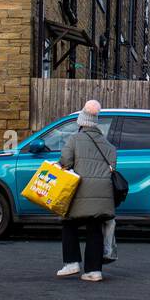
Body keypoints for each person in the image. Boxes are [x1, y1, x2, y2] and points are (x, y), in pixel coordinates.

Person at [56, 100, 118, 282]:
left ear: (81, 122)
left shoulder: (74, 139)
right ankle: (94, 271)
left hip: (80, 193)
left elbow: (65, 163)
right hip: (103, 196)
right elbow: (111, 169)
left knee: (68, 223)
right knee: (95, 228)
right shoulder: (108, 146)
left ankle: (71, 262)